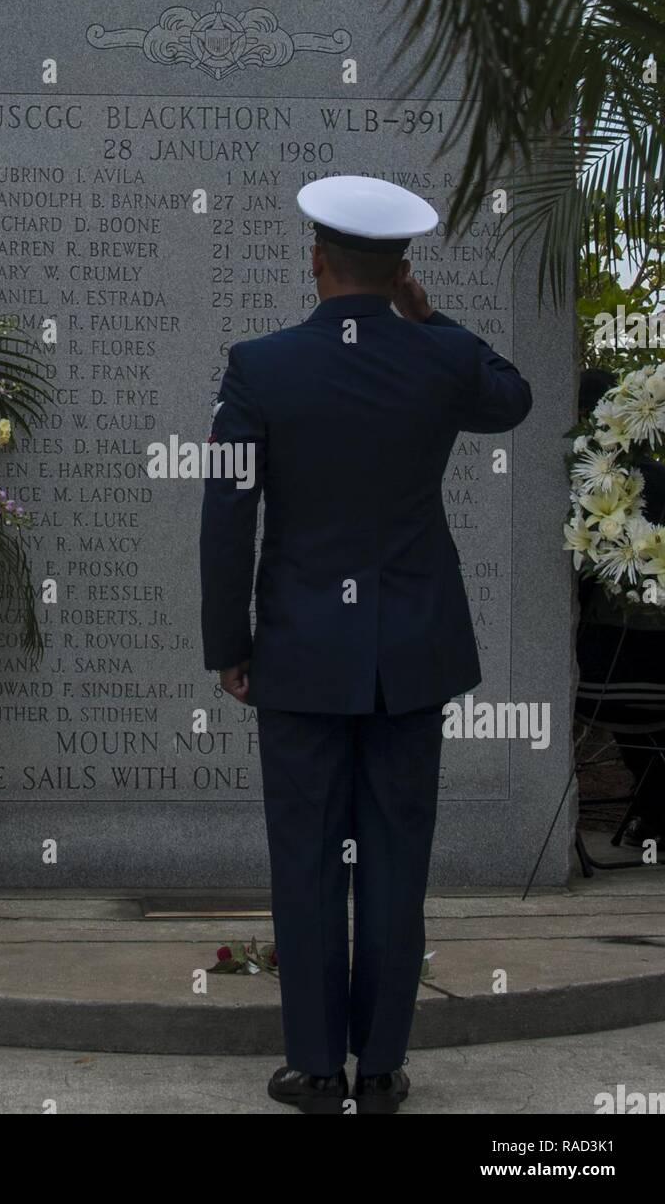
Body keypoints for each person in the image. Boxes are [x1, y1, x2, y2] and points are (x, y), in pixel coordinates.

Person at [199, 175, 533, 1115]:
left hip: (299, 654)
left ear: (315, 261)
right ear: (402, 273)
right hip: (411, 653)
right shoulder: (437, 358)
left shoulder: (259, 367)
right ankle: (381, 1068)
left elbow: (227, 515)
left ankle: (314, 1068)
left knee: (305, 860)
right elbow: (513, 399)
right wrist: (427, 322)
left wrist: (230, 643)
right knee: (394, 859)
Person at [575, 367, 665, 847]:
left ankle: (654, 813)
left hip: (605, 672)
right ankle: (653, 813)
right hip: (655, 667)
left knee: (637, 729)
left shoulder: (588, 490)